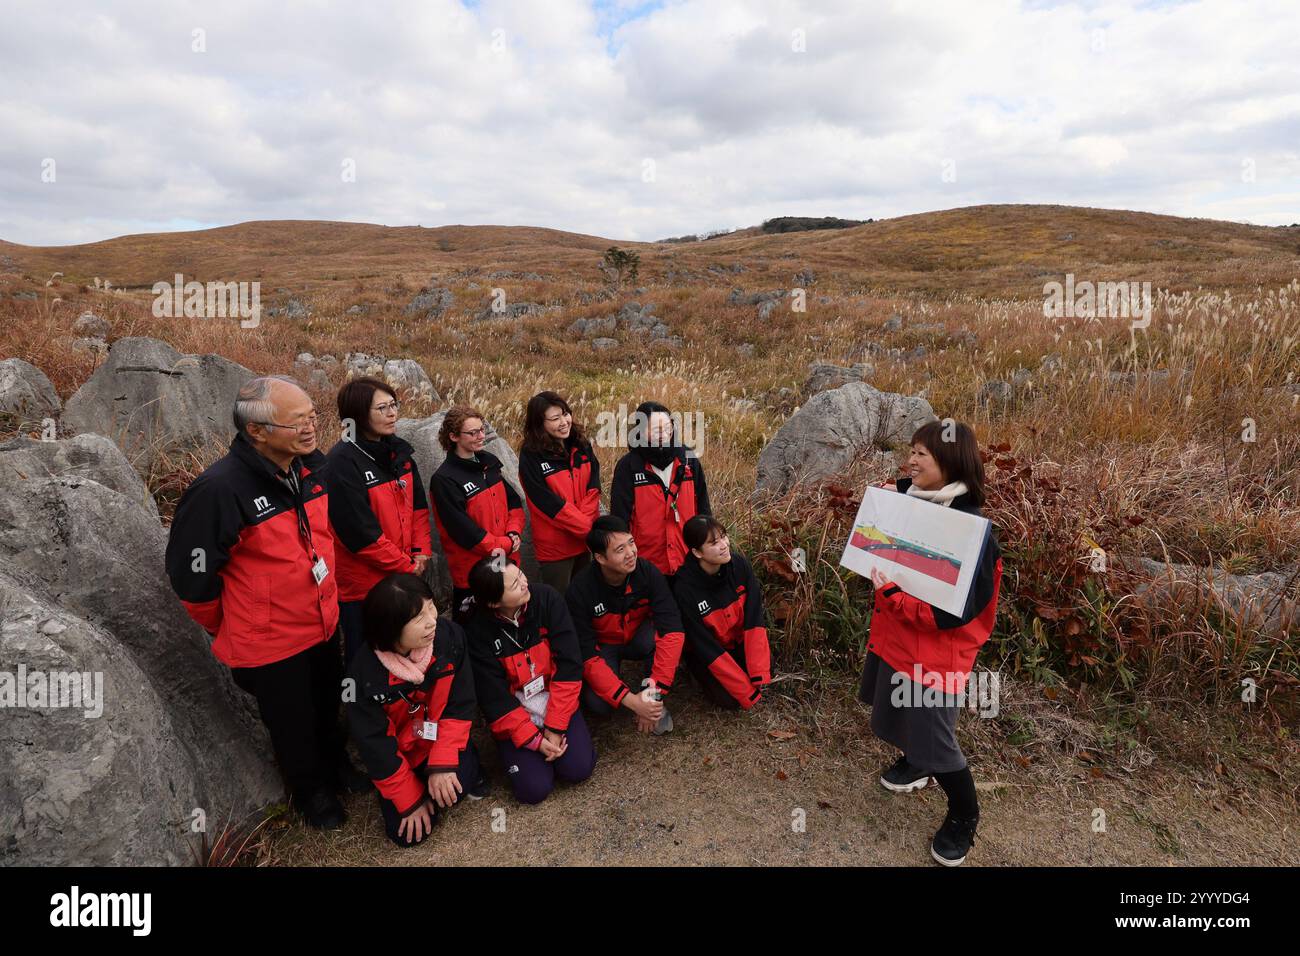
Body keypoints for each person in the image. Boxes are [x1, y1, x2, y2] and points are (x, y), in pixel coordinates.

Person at [165, 375, 364, 830]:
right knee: (290, 723)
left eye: (314, 417)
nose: (312, 428)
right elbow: (191, 577)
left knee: (325, 701)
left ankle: (337, 767)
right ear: (257, 430)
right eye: (298, 422)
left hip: (321, 621)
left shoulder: (309, 467)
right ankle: (312, 795)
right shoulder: (219, 489)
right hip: (270, 641)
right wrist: (236, 623)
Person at [857, 420, 1002, 867]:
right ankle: (915, 762)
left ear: (951, 462)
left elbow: (954, 614)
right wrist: (884, 501)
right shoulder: (913, 504)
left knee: (936, 736)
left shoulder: (972, 532)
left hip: (936, 651)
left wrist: (894, 598)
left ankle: (964, 815)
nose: (911, 460)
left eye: (922, 454)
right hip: (897, 636)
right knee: (899, 709)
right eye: (912, 451)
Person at [347, 573, 485, 847]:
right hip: (401, 753)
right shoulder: (360, 677)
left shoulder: (450, 638)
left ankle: (466, 764)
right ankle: (412, 788)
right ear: (390, 630)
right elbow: (374, 744)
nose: (432, 620)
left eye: (431, 606)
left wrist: (443, 764)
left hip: (437, 739)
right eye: (418, 618)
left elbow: (460, 704)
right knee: (406, 834)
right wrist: (409, 800)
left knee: (454, 789)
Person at [463, 557, 595, 805]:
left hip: (553, 699)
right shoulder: (477, 631)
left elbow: (569, 665)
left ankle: (566, 737)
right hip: (517, 712)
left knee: (578, 770)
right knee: (534, 790)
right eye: (514, 585)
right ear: (493, 602)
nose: (525, 583)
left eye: (521, 574)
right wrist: (534, 741)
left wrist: (554, 729)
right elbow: (494, 699)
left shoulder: (547, 599)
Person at [326, 377, 432, 664]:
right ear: (358, 415)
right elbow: (358, 534)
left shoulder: (400, 452)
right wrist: (408, 565)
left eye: (393, 405)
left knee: (404, 650)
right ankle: (363, 707)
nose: (392, 413)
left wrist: (421, 552)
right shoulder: (341, 462)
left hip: (404, 573)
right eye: (382, 408)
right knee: (367, 657)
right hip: (364, 586)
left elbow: (419, 508)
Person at [566, 515, 683, 734]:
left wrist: (652, 696)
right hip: (604, 647)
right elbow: (587, 656)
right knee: (599, 704)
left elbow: (672, 629)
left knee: (661, 639)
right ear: (600, 558)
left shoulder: (647, 572)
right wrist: (631, 701)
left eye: (631, 543)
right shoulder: (580, 590)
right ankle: (628, 693)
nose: (631, 553)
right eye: (620, 550)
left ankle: (650, 693)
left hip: (639, 637)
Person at [429, 405, 526, 622]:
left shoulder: (488, 465)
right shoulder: (445, 479)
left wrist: (514, 532)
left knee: (507, 624)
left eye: (482, 430)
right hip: (474, 574)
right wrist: (505, 544)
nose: (481, 436)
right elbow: (463, 532)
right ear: (453, 436)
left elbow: (514, 503)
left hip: (506, 561)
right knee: (475, 631)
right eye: (473, 433)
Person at [672, 515, 772, 710]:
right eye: (714, 542)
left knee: (765, 672)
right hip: (709, 651)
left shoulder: (739, 565)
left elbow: (754, 617)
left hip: (737, 641)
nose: (724, 545)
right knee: (730, 700)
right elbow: (704, 645)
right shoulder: (684, 589)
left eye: (724, 536)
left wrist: (758, 672)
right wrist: (744, 691)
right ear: (697, 552)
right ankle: (693, 673)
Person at [611, 401, 710, 582]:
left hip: (687, 558)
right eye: (655, 428)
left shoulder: (688, 459)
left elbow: (703, 507)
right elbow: (620, 519)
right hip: (647, 564)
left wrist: (705, 549)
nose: (663, 433)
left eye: (667, 427)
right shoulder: (629, 467)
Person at [518, 391, 601, 592]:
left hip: (584, 542)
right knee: (560, 602)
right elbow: (546, 503)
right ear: (540, 423)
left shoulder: (581, 444)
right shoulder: (531, 455)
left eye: (565, 414)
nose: (564, 422)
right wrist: (586, 527)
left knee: (585, 597)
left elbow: (594, 486)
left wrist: (587, 527)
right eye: (555, 418)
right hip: (556, 547)